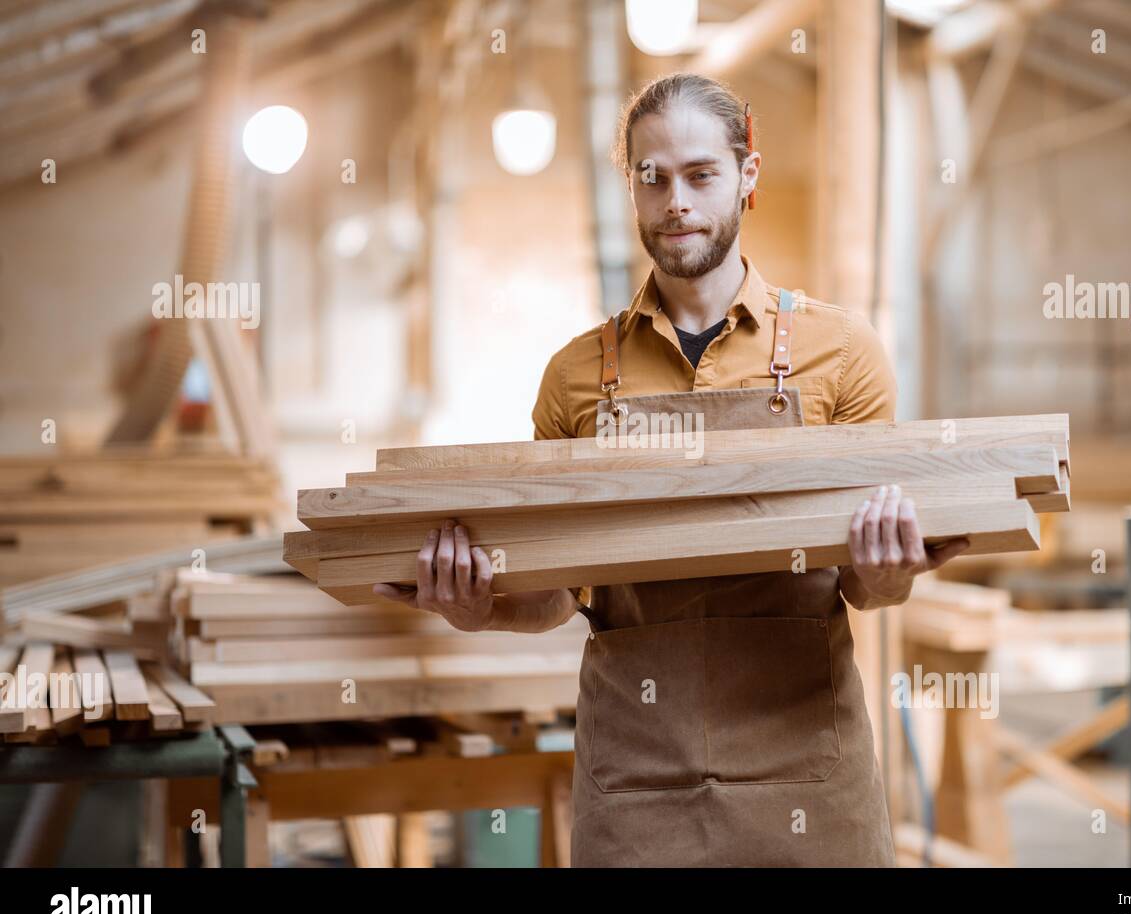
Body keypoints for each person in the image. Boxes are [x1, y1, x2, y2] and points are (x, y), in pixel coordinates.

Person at [376, 73, 969, 866]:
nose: (676, 202)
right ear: (631, 185)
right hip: (636, 782)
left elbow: (865, 585)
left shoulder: (843, 354)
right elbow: (556, 592)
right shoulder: (575, 377)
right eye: (651, 178)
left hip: (802, 770)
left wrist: (894, 571)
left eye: (700, 175)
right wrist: (475, 608)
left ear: (747, 176)